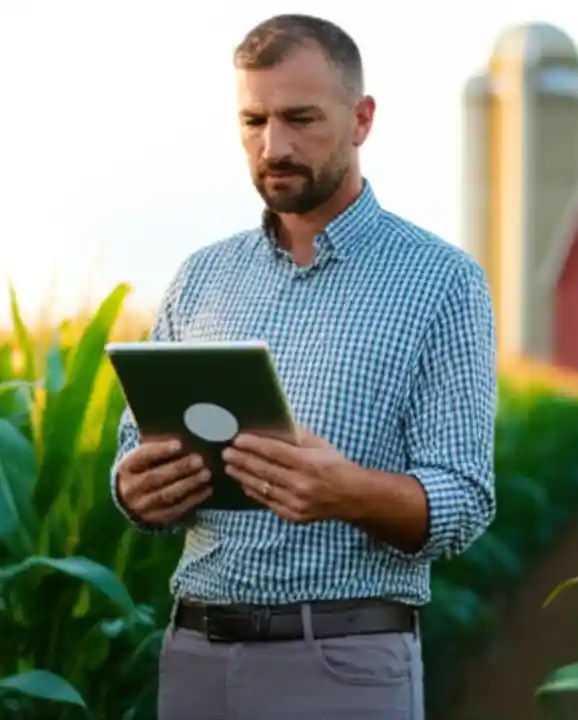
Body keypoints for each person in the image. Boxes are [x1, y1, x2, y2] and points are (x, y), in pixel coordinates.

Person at [110, 13, 497, 719]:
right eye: (253, 120)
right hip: (194, 655)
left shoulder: (441, 281)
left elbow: (466, 500)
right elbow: (135, 451)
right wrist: (137, 489)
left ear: (362, 119)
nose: (273, 145)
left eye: (299, 118)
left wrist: (346, 492)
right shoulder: (201, 278)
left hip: (342, 662)